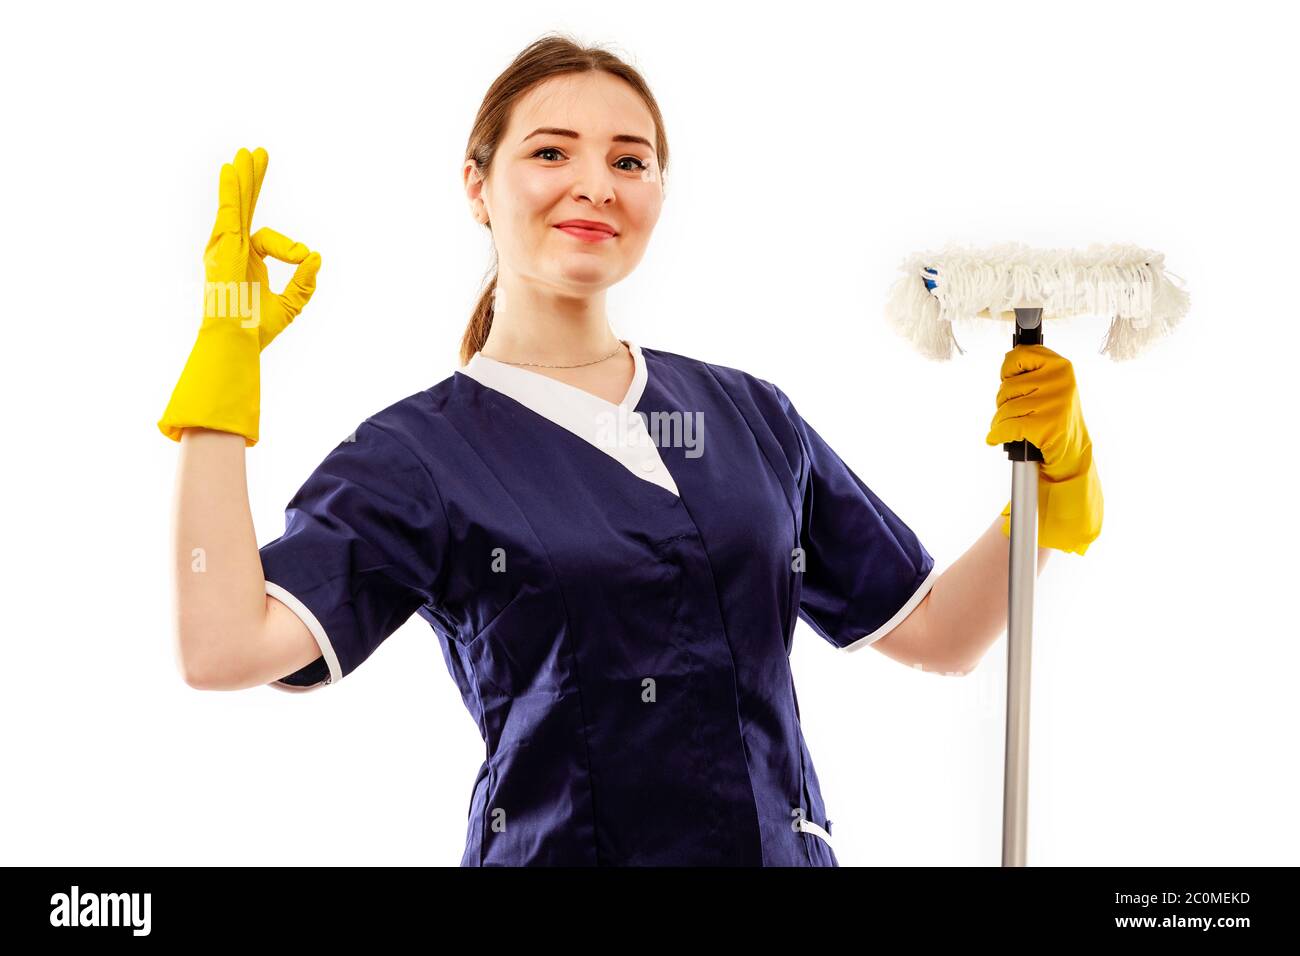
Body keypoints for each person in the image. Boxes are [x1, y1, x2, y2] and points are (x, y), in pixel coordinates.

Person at [158, 34, 1103, 866]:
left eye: (630, 159)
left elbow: (939, 633)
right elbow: (224, 645)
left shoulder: (748, 417)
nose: (596, 185)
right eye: (551, 152)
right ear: (477, 184)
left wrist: (1050, 488)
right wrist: (220, 373)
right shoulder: (418, 456)